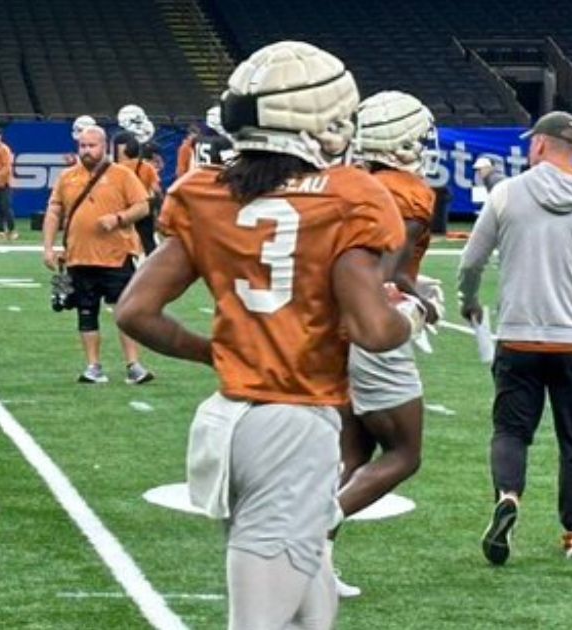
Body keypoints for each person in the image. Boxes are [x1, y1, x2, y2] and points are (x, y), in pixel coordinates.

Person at [119, 41, 423, 630]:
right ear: (313, 122)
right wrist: (414, 312)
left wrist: (215, 352)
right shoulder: (350, 196)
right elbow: (372, 329)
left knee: (312, 614)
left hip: (227, 420)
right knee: (258, 622)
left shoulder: (204, 193)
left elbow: (136, 312)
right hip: (296, 421)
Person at [332, 90, 440, 598]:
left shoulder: (355, 182)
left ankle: (311, 562)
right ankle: (307, 535)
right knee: (403, 454)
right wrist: (422, 302)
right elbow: (387, 271)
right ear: (399, 142)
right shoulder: (407, 191)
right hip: (375, 327)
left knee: (355, 451)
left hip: (336, 328)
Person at [458, 110, 572, 565]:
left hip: (518, 336)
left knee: (510, 431)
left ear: (541, 145)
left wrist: (469, 300)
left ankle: (509, 496)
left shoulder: (506, 192)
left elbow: (471, 261)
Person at [43, 125, 154, 385]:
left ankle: (133, 365)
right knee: (85, 311)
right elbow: (53, 211)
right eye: (82, 146)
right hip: (78, 257)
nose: (86, 151)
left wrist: (118, 218)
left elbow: (143, 206)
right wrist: (48, 247)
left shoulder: (122, 175)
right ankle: (93, 366)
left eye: (91, 146)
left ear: (104, 147)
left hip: (116, 256)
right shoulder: (67, 177)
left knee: (123, 312)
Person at [114, 130, 161, 255]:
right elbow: (156, 189)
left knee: (122, 237)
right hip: (144, 206)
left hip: (125, 207)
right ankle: (153, 266)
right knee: (148, 240)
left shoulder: (117, 168)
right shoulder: (147, 167)